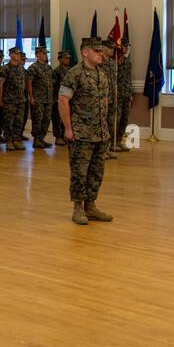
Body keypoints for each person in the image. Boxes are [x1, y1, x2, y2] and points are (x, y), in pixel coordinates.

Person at [58, 37, 114, 225]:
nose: (101, 54)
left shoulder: (102, 74)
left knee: (96, 172)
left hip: (100, 133)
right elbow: (63, 101)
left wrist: (104, 127)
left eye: (101, 51)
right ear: (85, 52)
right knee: (79, 172)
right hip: (81, 133)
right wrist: (68, 128)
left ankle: (91, 206)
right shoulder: (74, 74)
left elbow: (105, 101)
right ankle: (78, 208)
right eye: (97, 51)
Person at [27, 45, 55, 149]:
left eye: (46, 53)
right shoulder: (33, 67)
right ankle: (36, 140)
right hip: (38, 98)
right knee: (37, 119)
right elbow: (29, 83)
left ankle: (41, 138)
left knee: (46, 119)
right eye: (43, 53)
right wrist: (31, 97)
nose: (45, 55)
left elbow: (50, 82)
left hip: (48, 99)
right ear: (37, 55)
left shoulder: (48, 67)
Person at [0, 47, 27, 148]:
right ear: (11, 55)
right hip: (9, 100)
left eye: (19, 54)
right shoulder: (5, 69)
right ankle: (9, 141)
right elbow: (0, 85)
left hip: (20, 100)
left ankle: (16, 140)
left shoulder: (21, 68)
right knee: (8, 122)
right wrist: (0, 99)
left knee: (19, 122)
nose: (19, 55)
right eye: (17, 54)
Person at [114, 39, 133, 151]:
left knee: (124, 119)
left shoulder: (127, 61)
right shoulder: (115, 61)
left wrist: (130, 95)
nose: (127, 48)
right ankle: (112, 143)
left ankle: (119, 140)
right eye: (125, 46)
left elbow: (129, 79)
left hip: (126, 94)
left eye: (127, 46)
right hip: (118, 95)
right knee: (116, 119)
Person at [51, 50, 72, 145]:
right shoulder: (56, 71)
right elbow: (52, 86)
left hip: (68, 99)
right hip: (58, 99)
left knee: (66, 118)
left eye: (68, 58)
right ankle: (58, 137)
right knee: (57, 119)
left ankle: (65, 135)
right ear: (60, 59)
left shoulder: (70, 70)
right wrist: (54, 97)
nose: (68, 60)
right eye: (66, 58)